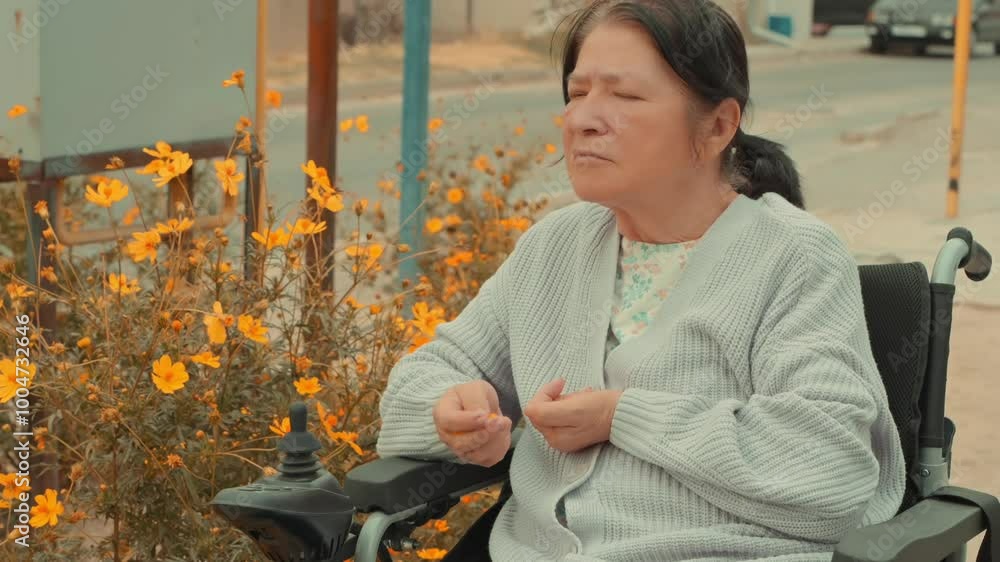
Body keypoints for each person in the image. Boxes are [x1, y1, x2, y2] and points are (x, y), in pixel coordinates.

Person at [375, 1, 906, 560]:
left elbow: (830, 471)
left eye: (624, 96)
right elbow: (419, 384)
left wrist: (620, 416)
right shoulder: (555, 248)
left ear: (719, 125)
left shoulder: (793, 258)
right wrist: (451, 411)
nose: (583, 118)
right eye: (577, 94)